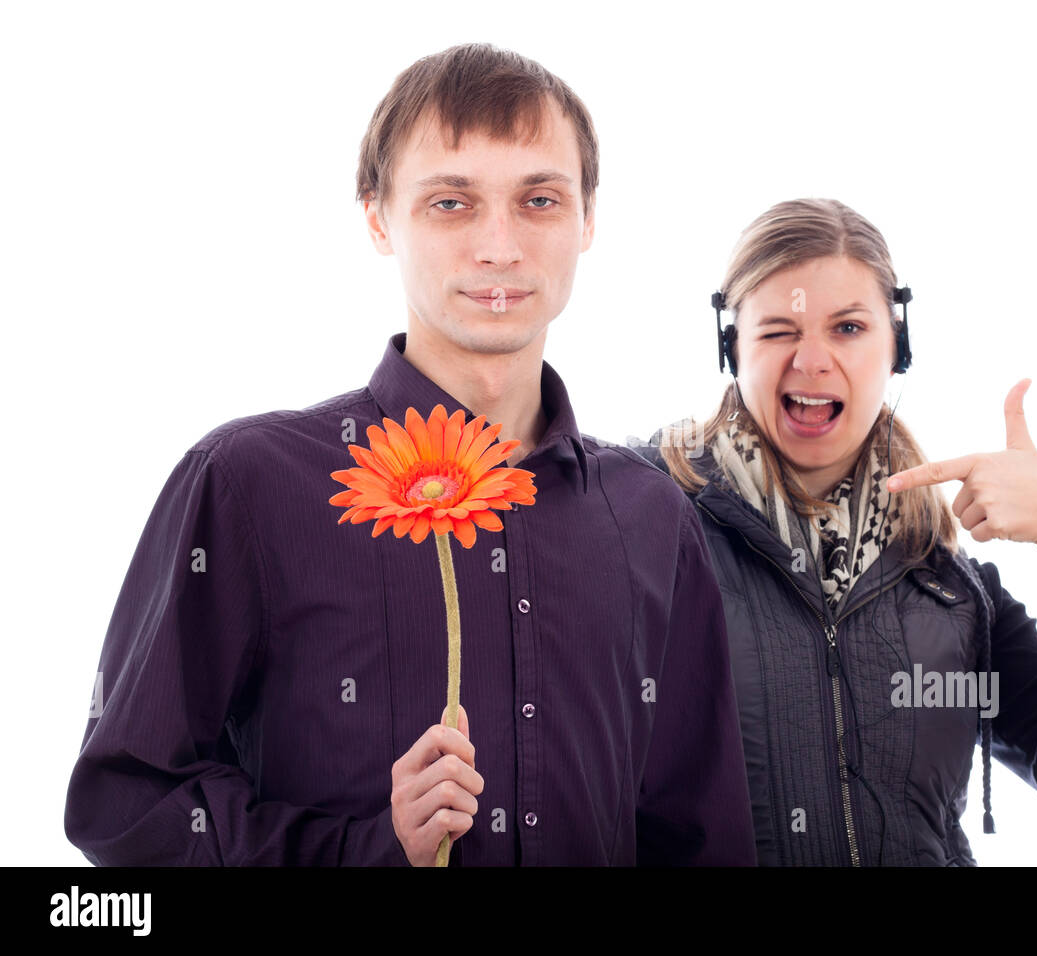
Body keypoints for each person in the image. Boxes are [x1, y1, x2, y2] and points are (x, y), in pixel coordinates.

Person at [63, 43, 756, 867]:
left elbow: (701, 838)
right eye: (452, 203)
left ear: (588, 219)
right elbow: (126, 803)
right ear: (376, 216)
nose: (499, 248)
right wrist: (368, 852)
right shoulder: (246, 484)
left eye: (538, 199)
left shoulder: (651, 517)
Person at [635, 198, 1037, 865]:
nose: (813, 360)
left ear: (897, 349)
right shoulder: (641, 528)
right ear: (731, 347)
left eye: (849, 328)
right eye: (777, 331)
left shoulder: (954, 593)